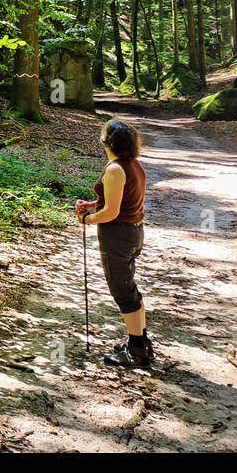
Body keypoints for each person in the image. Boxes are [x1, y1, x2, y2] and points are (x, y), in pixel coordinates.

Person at [75, 118, 152, 367]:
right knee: (129, 288)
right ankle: (139, 341)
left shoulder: (114, 170)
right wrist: (92, 205)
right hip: (133, 232)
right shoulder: (134, 165)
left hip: (118, 236)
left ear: (108, 143)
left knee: (122, 291)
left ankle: (137, 351)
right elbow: (120, 201)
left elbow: (112, 213)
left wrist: (88, 219)